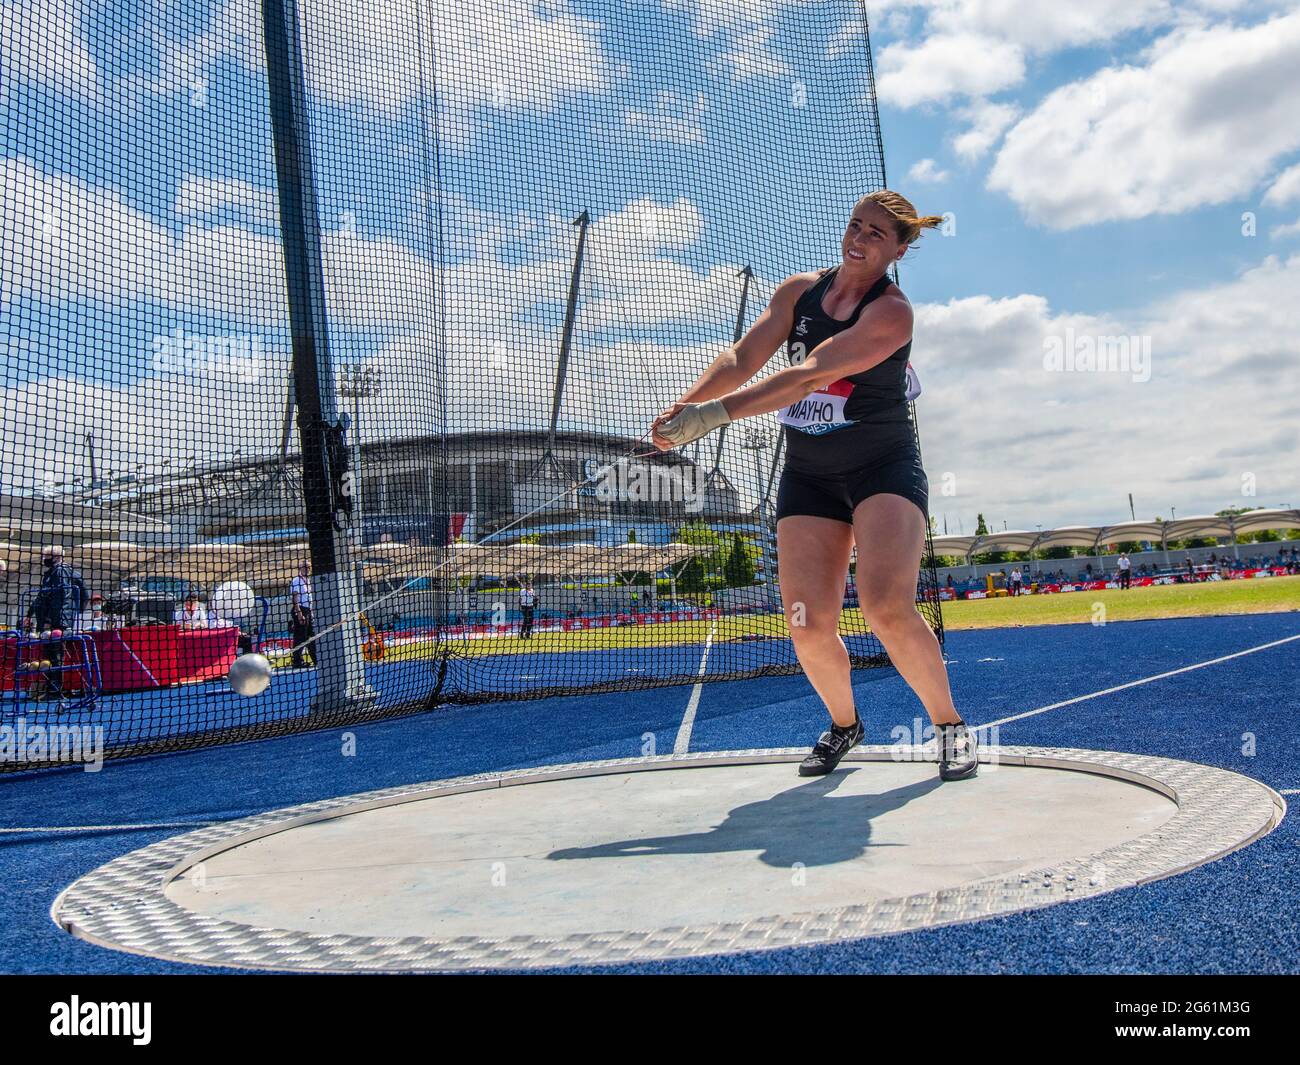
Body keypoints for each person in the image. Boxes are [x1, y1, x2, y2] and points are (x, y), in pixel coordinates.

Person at [651, 190, 976, 782]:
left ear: (899, 250)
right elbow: (744, 356)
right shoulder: (798, 292)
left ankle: (949, 727)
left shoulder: (891, 312)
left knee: (883, 605)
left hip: (883, 469)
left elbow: (807, 376)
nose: (859, 238)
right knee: (805, 621)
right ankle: (845, 725)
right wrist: (687, 405)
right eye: (856, 225)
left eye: (876, 234)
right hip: (810, 474)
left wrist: (712, 418)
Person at [24, 545, 84, 701]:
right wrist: (30, 614)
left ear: (56, 557)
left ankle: (56, 689)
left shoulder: (61, 571)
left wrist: (59, 620)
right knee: (49, 654)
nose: (45, 559)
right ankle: (51, 687)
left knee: (56, 654)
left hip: (57, 622)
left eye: (47, 556)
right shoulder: (50, 574)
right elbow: (42, 597)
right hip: (50, 621)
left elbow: (64, 595)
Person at [289, 561, 315, 668]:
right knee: (300, 636)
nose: (308, 569)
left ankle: (316, 659)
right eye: (305, 567)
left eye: (309, 567)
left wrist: (311, 613)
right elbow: (295, 598)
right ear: (300, 568)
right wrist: (299, 614)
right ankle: (297, 661)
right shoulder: (296, 581)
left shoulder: (307, 581)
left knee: (311, 636)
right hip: (301, 610)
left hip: (308, 610)